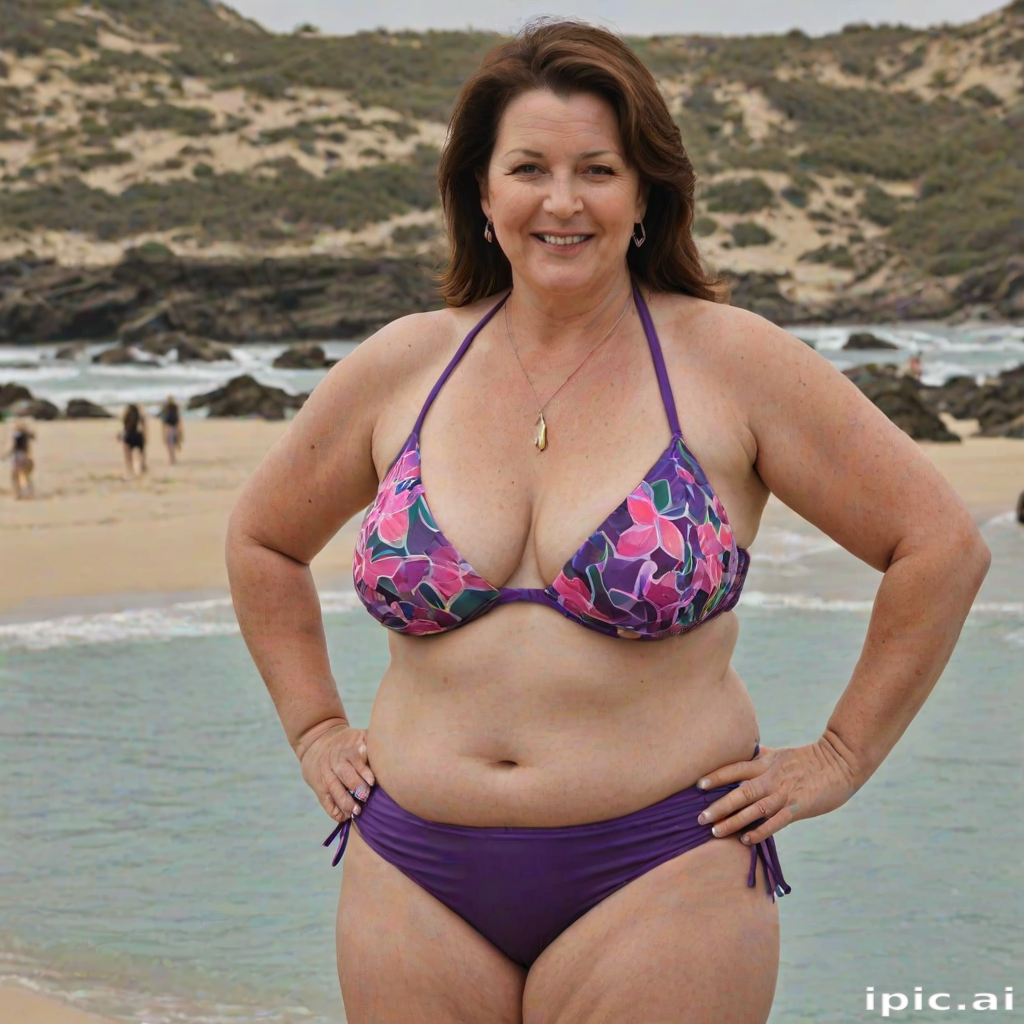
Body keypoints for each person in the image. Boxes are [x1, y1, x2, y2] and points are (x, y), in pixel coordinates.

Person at [225, 21, 990, 1024]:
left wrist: (838, 758)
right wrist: (317, 728)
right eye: (528, 168)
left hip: (659, 870)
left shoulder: (731, 362)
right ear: (480, 191)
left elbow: (939, 543)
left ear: (644, 193)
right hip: (409, 871)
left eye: (597, 168)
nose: (562, 200)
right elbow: (263, 541)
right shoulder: (402, 364)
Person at [5, 420, 36, 499]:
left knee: (16, 476)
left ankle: (20, 494)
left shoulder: (18, 434)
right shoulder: (26, 435)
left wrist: (6, 455)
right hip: (27, 456)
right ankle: (30, 493)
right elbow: (33, 436)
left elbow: (15, 447)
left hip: (19, 457)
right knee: (27, 476)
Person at [120, 403, 147, 478]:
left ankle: (130, 469)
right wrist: (145, 437)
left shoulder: (126, 417)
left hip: (129, 436)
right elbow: (144, 426)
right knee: (141, 454)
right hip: (138, 436)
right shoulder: (139, 416)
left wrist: (122, 437)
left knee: (128, 456)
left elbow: (125, 429)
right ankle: (142, 467)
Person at [159, 396, 183, 464]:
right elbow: (178, 418)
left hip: (168, 427)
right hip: (174, 426)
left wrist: (162, 431)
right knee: (173, 442)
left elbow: (164, 420)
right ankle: (173, 456)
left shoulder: (166, 408)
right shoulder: (174, 408)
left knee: (169, 443)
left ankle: (172, 457)